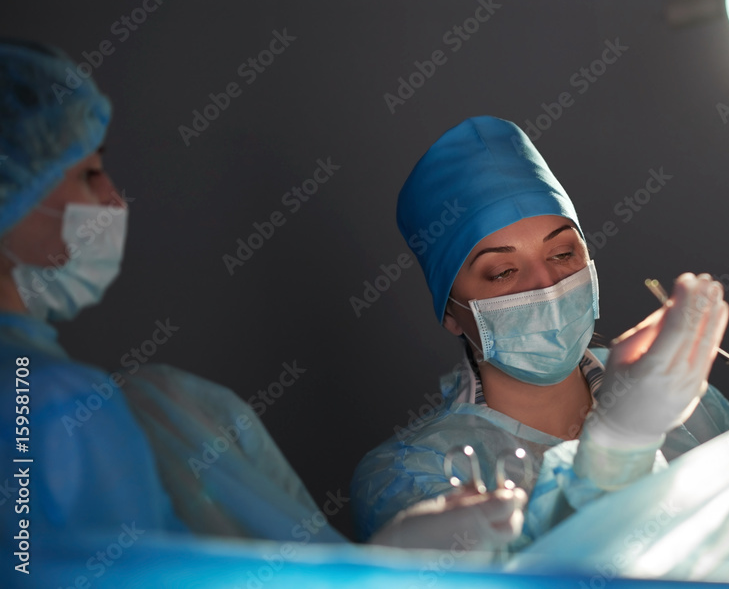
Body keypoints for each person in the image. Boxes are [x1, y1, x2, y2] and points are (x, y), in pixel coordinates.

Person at [0, 40, 526, 570]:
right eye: (88, 174)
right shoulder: (53, 404)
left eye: (566, 253)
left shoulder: (144, 402)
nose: (114, 199)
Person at [351, 115, 729, 547]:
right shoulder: (412, 471)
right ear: (451, 312)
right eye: (502, 272)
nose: (547, 285)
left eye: (562, 253)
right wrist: (619, 444)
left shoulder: (667, 387)